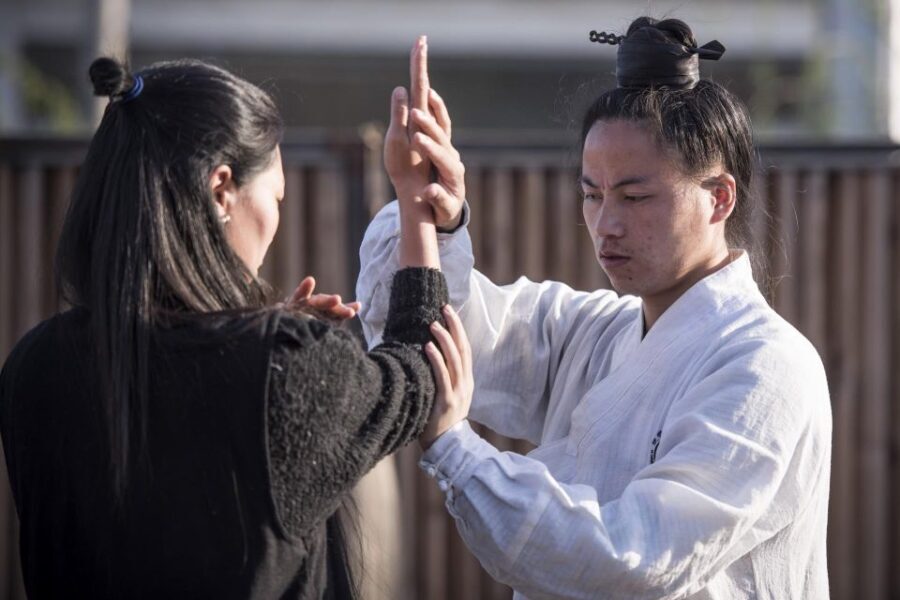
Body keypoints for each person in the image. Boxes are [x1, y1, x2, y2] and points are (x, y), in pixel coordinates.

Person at [358, 19, 832, 599]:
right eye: (591, 194)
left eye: (635, 197)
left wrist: (456, 451)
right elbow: (444, 332)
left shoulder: (768, 367)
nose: (607, 224)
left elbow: (634, 560)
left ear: (719, 197)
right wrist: (428, 211)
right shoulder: (593, 333)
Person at [0, 55, 471, 599]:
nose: (275, 223)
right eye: (274, 199)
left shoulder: (33, 370)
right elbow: (421, 368)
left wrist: (269, 337)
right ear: (221, 190)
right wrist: (416, 200)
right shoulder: (281, 371)